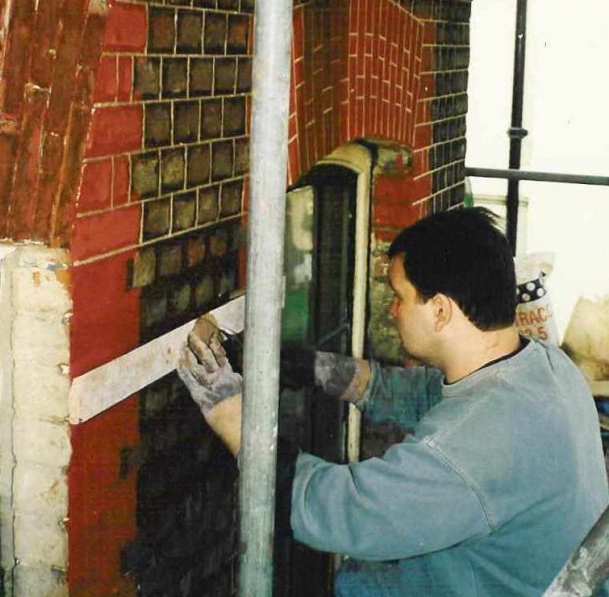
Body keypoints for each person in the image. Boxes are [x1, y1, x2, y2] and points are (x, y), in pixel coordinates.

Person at [178, 207, 609, 596]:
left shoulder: (471, 450)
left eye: (399, 297)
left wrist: (230, 412)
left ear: (440, 311)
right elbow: (425, 394)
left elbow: (341, 512)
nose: (393, 312)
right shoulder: (544, 366)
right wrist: (315, 368)